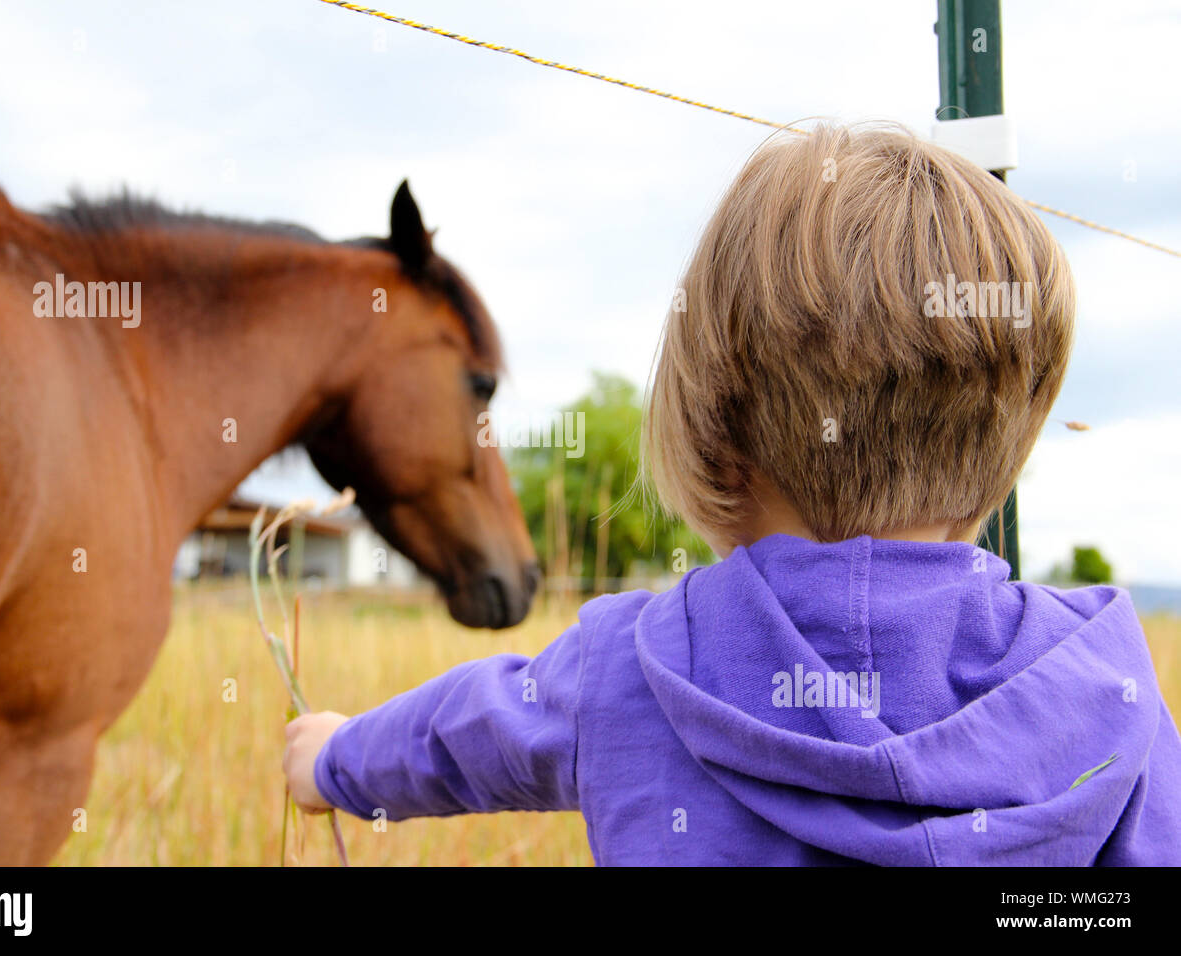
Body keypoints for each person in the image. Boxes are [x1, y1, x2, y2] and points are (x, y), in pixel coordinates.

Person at [282, 123, 1181, 865]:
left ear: (716, 437)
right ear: (1005, 448)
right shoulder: (1104, 682)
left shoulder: (640, 668)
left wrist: (334, 759)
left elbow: (469, 733)